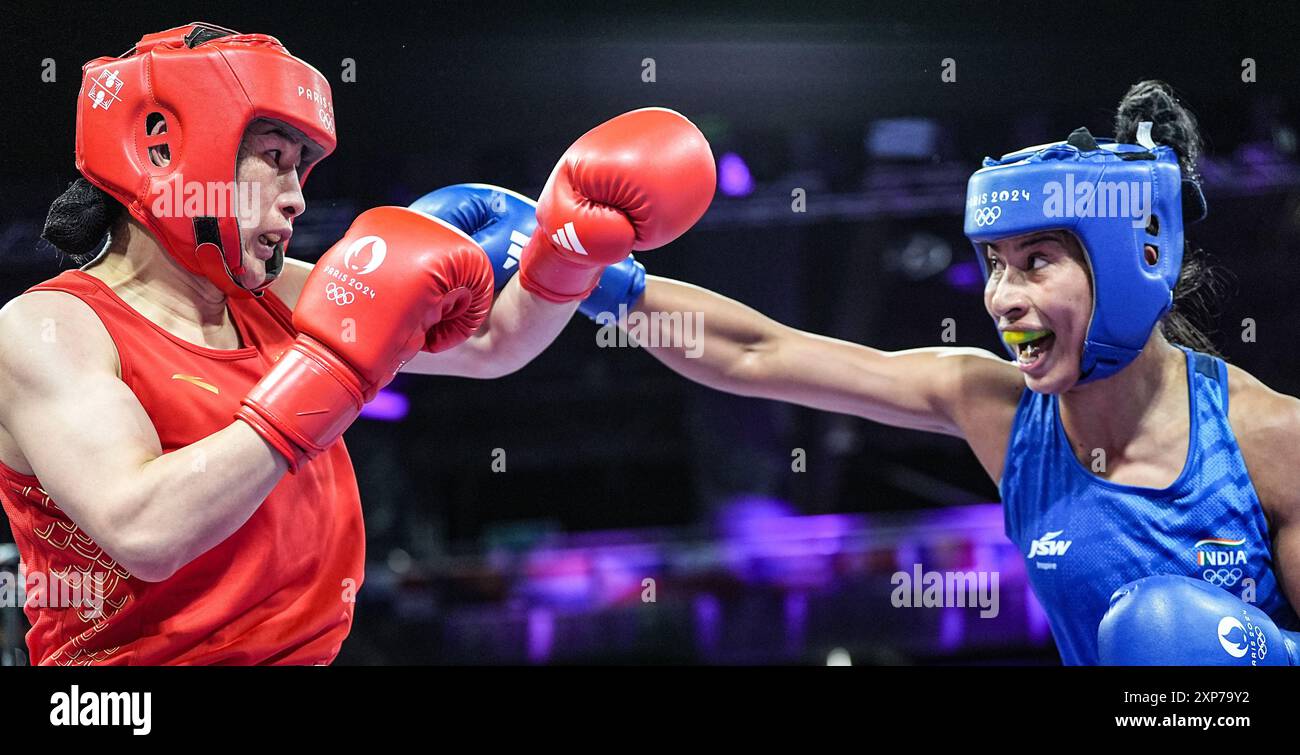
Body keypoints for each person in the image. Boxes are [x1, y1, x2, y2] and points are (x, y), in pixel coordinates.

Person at [454, 81, 1300, 665]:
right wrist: (584, 270)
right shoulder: (993, 406)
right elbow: (762, 352)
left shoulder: (1270, 442)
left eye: (1037, 261)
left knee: (1162, 631)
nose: (1003, 296)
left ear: (1137, 258)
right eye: (994, 264)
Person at [0, 22, 715, 665]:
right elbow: (144, 527)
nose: (297, 197)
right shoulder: (50, 329)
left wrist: (569, 255)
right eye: (273, 157)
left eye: (300, 168)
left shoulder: (277, 297)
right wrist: (333, 370)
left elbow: (494, 342)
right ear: (161, 146)